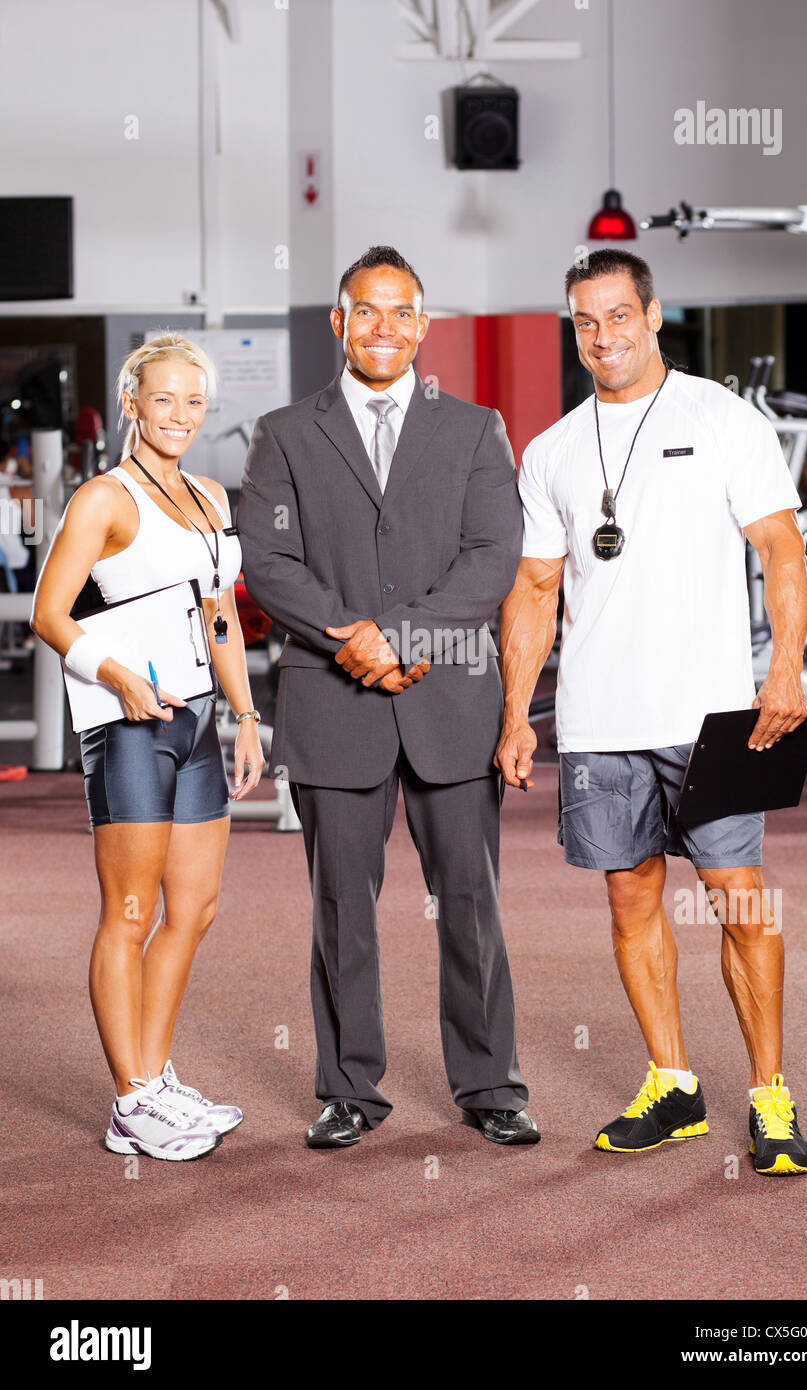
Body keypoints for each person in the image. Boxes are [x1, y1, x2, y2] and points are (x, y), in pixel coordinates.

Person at [496, 248, 807, 1176]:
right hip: (598, 722)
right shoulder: (551, 450)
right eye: (586, 322)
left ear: (653, 313)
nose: (603, 337)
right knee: (631, 899)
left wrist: (783, 668)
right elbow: (535, 588)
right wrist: (519, 712)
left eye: (618, 316)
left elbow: (782, 551)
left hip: (713, 714)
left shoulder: (720, 417)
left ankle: (770, 1096)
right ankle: (673, 1085)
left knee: (741, 903)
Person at [238, 246, 539, 1148]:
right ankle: (348, 1091)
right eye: (363, 311)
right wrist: (349, 638)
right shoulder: (284, 433)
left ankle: (491, 1086)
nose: (382, 328)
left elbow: (492, 557)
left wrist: (396, 638)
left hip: (449, 698)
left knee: (471, 902)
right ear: (339, 323)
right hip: (333, 703)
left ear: (422, 324)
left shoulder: (475, 429)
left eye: (399, 312)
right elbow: (269, 563)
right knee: (341, 908)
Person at [31, 334, 265, 1161]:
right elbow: (49, 614)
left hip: (198, 720)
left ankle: (157, 1078)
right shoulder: (105, 497)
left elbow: (220, 614)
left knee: (193, 911)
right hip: (127, 727)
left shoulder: (207, 496)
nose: (179, 415)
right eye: (163, 398)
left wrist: (245, 714)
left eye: (194, 401)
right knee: (129, 916)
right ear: (132, 401)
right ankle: (129, 1099)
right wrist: (121, 677)